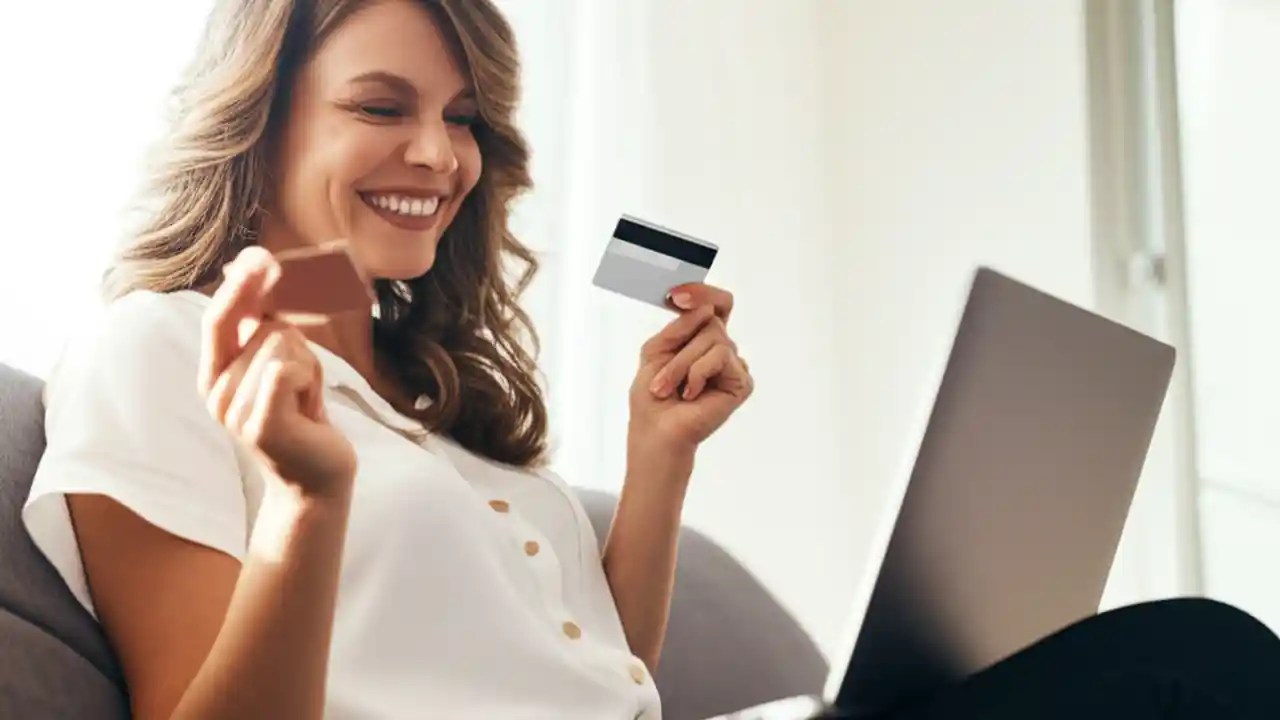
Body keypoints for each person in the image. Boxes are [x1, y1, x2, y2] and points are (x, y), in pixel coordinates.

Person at [19, 1, 1279, 719]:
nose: (440, 157)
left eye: (462, 120)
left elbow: (590, 661)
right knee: (1195, 666)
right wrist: (305, 502)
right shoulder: (162, 349)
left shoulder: (432, 400)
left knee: (1192, 656)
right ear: (261, 114)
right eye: (381, 106)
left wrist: (656, 457)